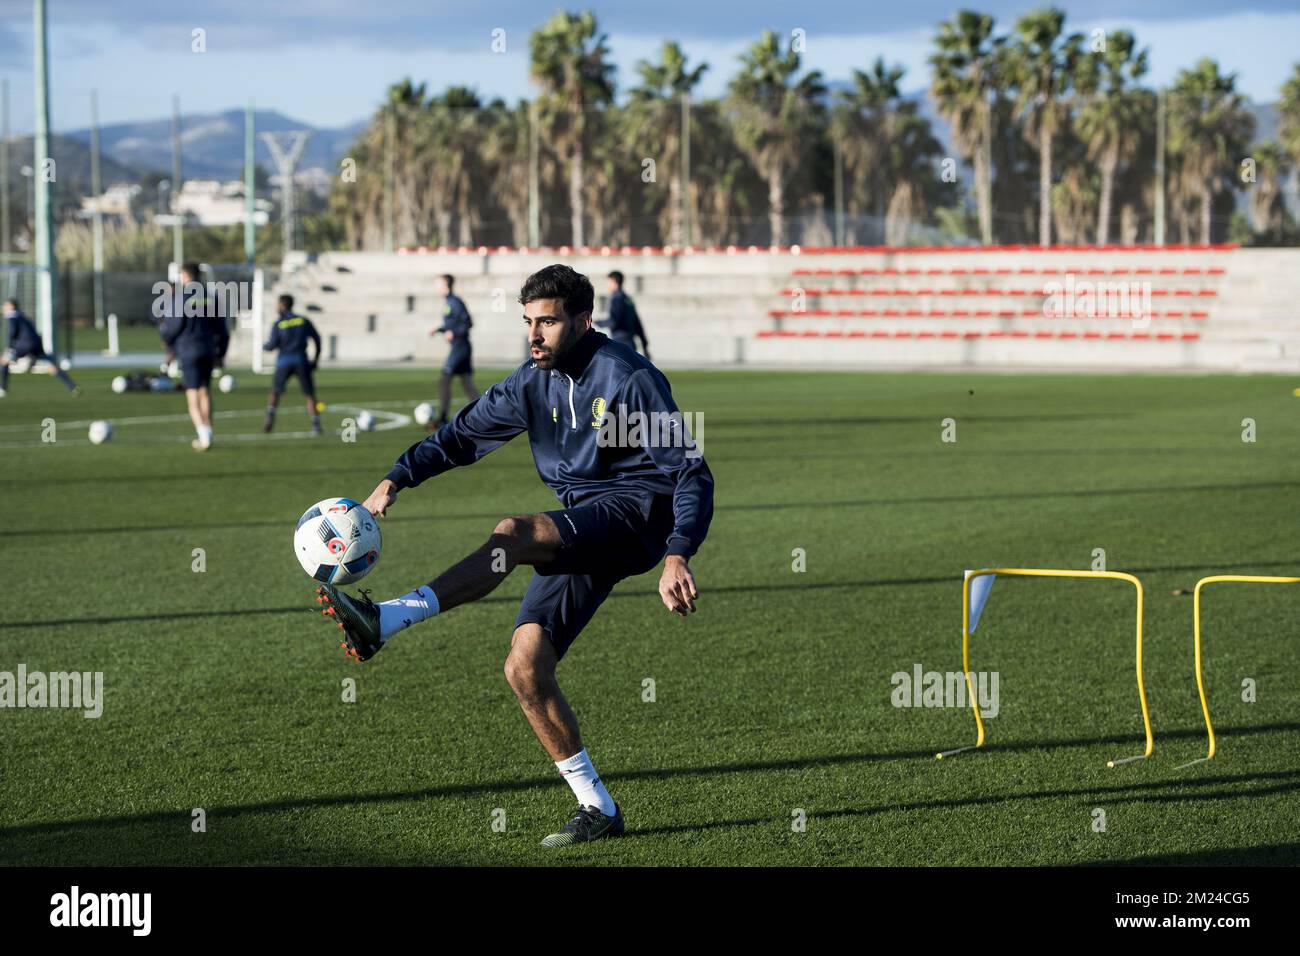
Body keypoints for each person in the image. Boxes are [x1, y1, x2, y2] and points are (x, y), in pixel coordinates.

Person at [315, 264, 714, 847]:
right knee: (524, 668)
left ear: (583, 320)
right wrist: (396, 479)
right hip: (582, 523)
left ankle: (386, 619)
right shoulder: (531, 381)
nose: (535, 335)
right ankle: (596, 806)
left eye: (548, 322)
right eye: (528, 321)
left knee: (516, 531)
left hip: (636, 515)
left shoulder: (626, 377)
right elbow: (458, 438)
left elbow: (690, 472)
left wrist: (678, 553)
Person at [159, 262, 229, 451]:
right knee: (205, 392)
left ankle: (203, 436)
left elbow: (174, 325)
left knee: (192, 395)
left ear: (185, 276)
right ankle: (209, 433)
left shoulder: (181, 298)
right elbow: (223, 330)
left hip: (188, 350)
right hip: (208, 350)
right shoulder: (211, 297)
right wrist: (220, 353)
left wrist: (166, 340)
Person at [262, 294, 323, 436]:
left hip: (284, 362)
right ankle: (315, 424)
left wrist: (263, 346)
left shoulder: (279, 324)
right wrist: (316, 359)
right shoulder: (303, 320)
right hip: (301, 360)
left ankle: (270, 416)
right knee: (309, 394)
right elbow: (317, 339)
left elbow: (272, 345)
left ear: (282, 305)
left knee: (275, 392)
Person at [429, 274, 480, 431]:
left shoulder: (455, 302)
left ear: (446, 284)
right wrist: (439, 329)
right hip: (459, 346)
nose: (436, 287)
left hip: (460, 347)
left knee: (445, 379)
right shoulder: (448, 302)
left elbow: (468, 323)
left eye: (438, 284)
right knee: (467, 383)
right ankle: (485, 413)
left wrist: (454, 332)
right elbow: (453, 323)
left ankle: (443, 418)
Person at [0, 298, 80, 397]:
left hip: (25, 345)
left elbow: (12, 332)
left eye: (5, 305)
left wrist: (9, 347)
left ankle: (3, 389)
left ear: (11, 306)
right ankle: (72, 386)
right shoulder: (22, 316)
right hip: (36, 343)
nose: (3, 308)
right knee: (52, 366)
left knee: (3, 361)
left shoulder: (12, 315)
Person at [597, 271, 649, 357]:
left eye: (609, 282)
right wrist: (644, 345)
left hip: (620, 342)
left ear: (613, 281)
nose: (608, 285)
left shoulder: (616, 298)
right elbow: (637, 323)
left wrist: (597, 322)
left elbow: (614, 321)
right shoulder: (627, 299)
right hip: (630, 342)